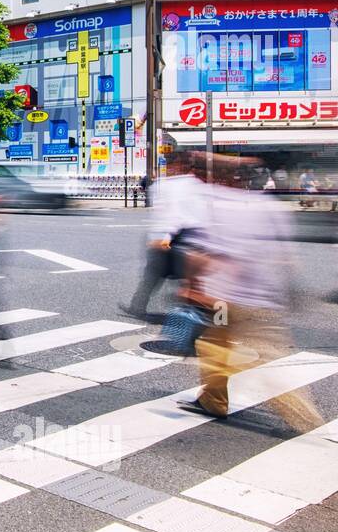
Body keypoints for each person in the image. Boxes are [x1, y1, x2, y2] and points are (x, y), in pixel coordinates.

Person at [177, 162, 323, 432]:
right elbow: (287, 256)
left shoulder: (219, 207)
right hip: (264, 298)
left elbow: (204, 254)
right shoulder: (272, 208)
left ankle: (214, 401)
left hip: (225, 299)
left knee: (214, 345)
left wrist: (191, 285)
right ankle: (302, 413)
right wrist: (289, 288)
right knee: (264, 354)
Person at [123, 147, 209, 320]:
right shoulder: (194, 185)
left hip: (169, 238)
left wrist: (164, 238)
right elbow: (201, 214)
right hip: (188, 238)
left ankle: (139, 307)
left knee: (153, 276)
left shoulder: (169, 186)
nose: (167, 168)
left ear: (175, 166)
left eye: (169, 165)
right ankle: (194, 311)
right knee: (187, 278)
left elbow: (172, 216)